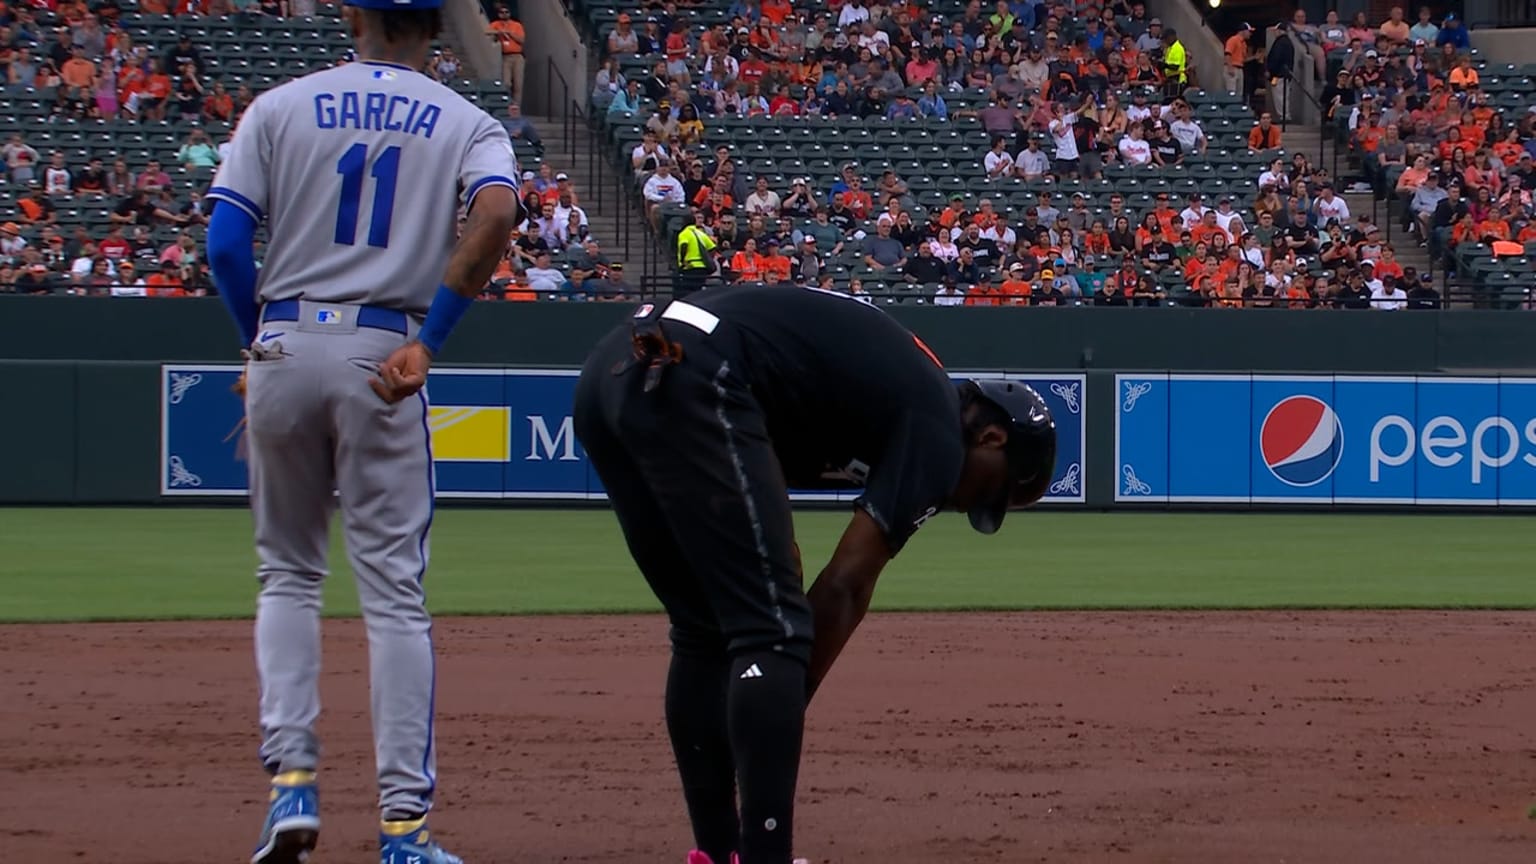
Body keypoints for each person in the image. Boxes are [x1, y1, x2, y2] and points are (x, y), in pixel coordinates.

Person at [572, 286, 1057, 864]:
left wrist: (763, 697)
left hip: (612, 372)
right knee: (773, 630)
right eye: (992, 490)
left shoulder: (894, 394)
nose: (970, 502)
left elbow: (760, 483)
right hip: (696, 368)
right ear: (992, 437)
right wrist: (776, 693)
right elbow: (846, 585)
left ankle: (718, 853)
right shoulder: (938, 428)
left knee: (703, 630)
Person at [204, 0, 521, 858]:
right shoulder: (465, 119)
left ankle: (291, 789)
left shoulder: (279, 105)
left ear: (354, 19)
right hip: (383, 353)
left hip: (284, 336)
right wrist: (432, 341)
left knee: (287, 577)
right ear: (436, 28)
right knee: (393, 598)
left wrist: (257, 341)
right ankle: (403, 830)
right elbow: (496, 215)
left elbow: (226, 244)